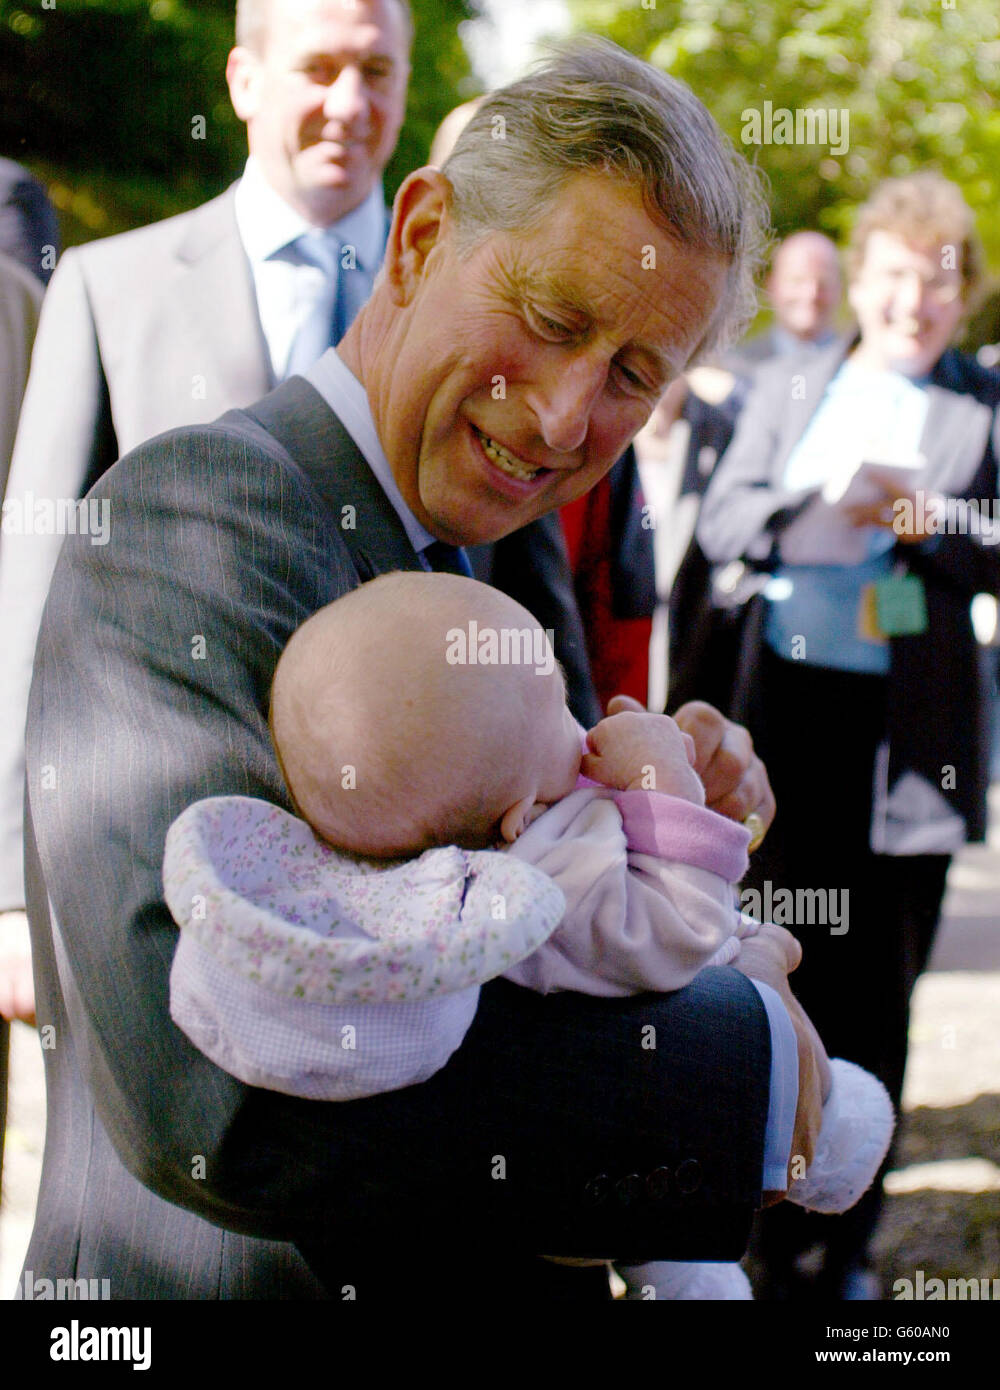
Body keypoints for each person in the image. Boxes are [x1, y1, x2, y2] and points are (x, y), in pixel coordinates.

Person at [22, 38, 826, 1301]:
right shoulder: (194, 518)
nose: (565, 417)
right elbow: (222, 1095)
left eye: (630, 375)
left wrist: (661, 826)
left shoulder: (502, 547)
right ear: (418, 236)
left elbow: (531, 929)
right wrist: (752, 1065)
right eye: (552, 317)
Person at [0, 0, 594, 1031]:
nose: (348, 104)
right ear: (241, 81)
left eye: (376, 72)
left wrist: (597, 817)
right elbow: (32, 592)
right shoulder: (110, 289)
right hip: (173, 880)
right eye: (318, 69)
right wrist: (12, 884)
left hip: (440, 902)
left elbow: (536, 607)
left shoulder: (484, 304)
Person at [163, 571, 893, 1302]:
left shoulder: (486, 833)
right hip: (655, 1102)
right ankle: (825, 1161)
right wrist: (665, 783)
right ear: (515, 816)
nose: (579, 717)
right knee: (829, 1135)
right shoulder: (546, 867)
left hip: (587, 1172)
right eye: (552, 704)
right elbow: (677, 928)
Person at [697, 171, 1000, 1299]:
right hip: (785, 722)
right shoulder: (789, 386)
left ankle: (844, 1251)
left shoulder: (981, 405)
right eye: (893, 278)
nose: (913, 302)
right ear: (861, 281)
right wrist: (802, 513)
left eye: (937, 282)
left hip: (909, 745)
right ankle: (762, 1230)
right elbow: (722, 515)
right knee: (769, 970)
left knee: (879, 994)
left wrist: (925, 521)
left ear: (959, 294)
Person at [730, 229, 842, 369]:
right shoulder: (738, 366)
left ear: (840, 289)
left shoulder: (856, 366)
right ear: (772, 286)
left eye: (823, 283)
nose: (811, 294)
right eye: (797, 281)